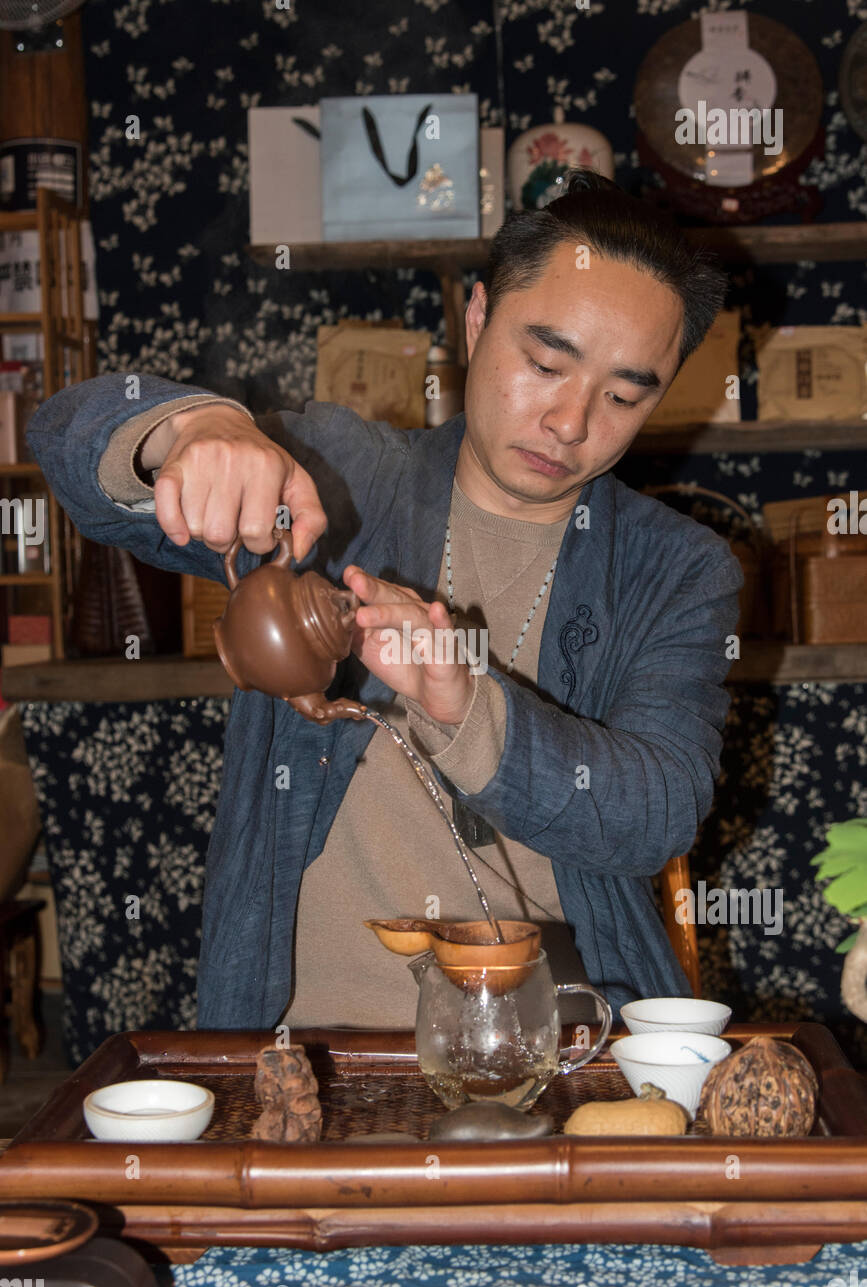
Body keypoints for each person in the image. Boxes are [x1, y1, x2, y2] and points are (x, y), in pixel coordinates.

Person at [27, 170, 742, 1031]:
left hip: (557, 1050)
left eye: (624, 396)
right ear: (475, 321)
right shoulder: (341, 476)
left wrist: (469, 707)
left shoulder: (675, 570)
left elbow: (656, 812)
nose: (570, 420)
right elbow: (63, 437)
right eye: (545, 362)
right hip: (307, 1047)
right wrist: (191, 429)